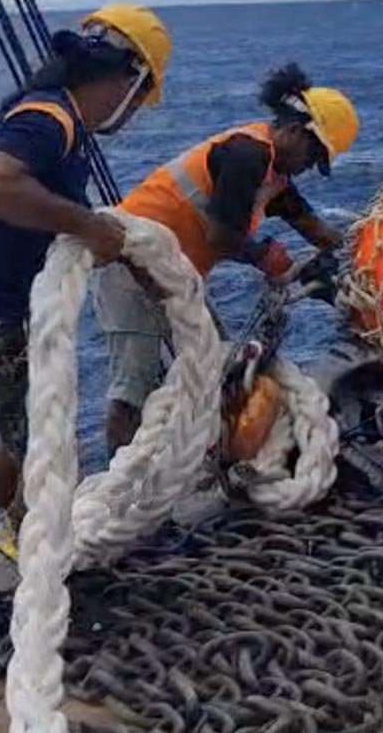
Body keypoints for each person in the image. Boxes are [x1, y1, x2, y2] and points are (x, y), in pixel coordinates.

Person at [0, 4, 172, 582]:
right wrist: (87, 225)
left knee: (33, 444)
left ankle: (21, 547)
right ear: (129, 81)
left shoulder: (50, 116)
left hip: (11, 311)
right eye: (142, 100)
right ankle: (26, 555)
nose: (135, 114)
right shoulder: (50, 120)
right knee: (40, 450)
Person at [93, 63, 354, 453]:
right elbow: (221, 235)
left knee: (216, 363)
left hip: (171, 275)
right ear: (295, 131)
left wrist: (368, 250)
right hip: (129, 269)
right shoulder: (246, 155)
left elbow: (317, 230)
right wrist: (264, 255)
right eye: (313, 154)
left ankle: (208, 458)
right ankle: (120, 495)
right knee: (132, 390)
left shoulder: (274, 176)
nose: (309, 167)